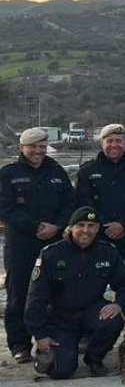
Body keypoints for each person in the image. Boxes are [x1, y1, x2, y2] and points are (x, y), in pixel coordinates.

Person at [24, 207, 125, 379]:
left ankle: (94, 359)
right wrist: (40, 335)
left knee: (112, 319)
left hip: (91, 311)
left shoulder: (108, 252)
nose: (86, 230)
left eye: (91, 225)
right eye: (81, 225)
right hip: (60, 319)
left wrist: (119, 303)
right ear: (71, 227)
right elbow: (35, 298)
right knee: (61, 371)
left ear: (98, 228)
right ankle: (54, 353)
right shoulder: (51, 254)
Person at [0, 128, 74, 363]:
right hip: (21, 243)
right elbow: (5, 207)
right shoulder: (8, 174)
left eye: (42, 146)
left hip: (54, 240)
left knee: (55, 292)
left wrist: (58, 226)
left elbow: (69, 202)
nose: (38, 151)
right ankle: (20, 344)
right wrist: (35, 226)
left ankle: (51, 338)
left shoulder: (56, 171)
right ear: (22, 147)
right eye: (33, 146)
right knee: (18, 292)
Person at [74, 124, 125, 302]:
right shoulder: (88, 171)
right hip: (97, 235)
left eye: (119, 140)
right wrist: (104, 224)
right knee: (91, 280)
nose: (114, 145)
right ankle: (95, 320)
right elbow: (83, 202)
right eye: (109, 141)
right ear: (102, 143)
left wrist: (122, 224)